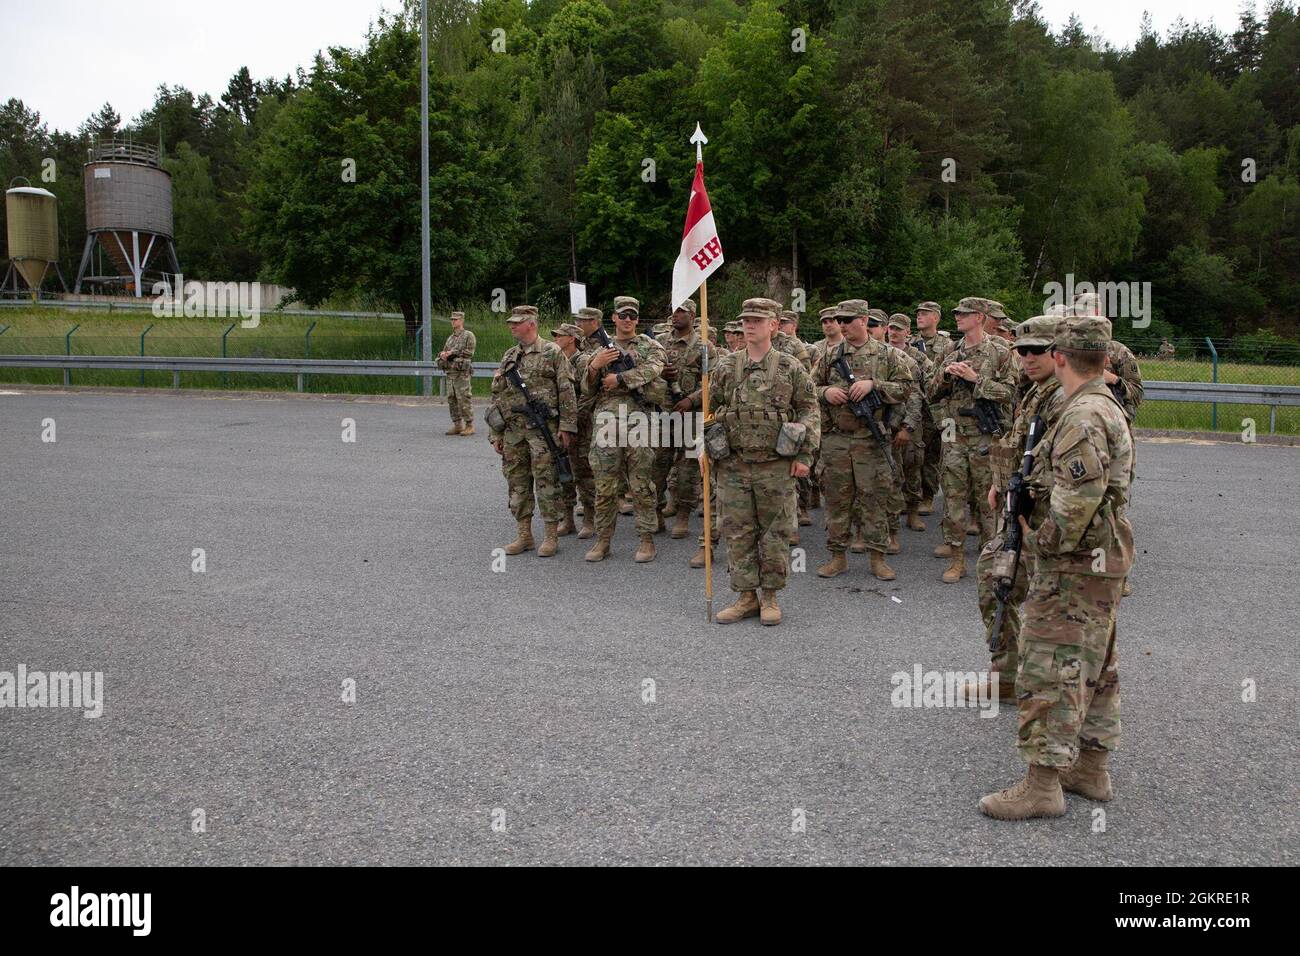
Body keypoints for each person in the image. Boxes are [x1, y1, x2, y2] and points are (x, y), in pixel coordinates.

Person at [979, 315, 1134, 820]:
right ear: (1105, 358)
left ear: (1061, 357)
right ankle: (1090, 768)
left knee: (1051, 667)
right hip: (1100, 559)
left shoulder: (1083, 414)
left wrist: (1037, 543)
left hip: (1073, 566)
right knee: (1097, 665)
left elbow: (1075, 504)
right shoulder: (1100, 404)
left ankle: (1042, 785)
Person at [965, 315, 1066, 703]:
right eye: (1021, 351)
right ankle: (1006, 672)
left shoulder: (1063, 398)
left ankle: (1056, 684)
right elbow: (1018, 443)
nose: (1026, 358)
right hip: (1019, 510)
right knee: (997, 579)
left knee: (1048, 600)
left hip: (1047, 518)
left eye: (1036, 351)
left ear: (1058, 352)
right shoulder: (1037, 391)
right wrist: (998, 480)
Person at [709, 298, 820, 625]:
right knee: (737, 531)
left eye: (757, 320)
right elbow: (709, 410)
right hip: (734, 464)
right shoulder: (726, 367)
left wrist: (804, 454)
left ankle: (770, 596)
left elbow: (810, 410)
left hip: (775, 465)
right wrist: (706, 448)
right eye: (745, 320)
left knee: (774, 532)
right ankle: (745, 597)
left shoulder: (790, 367)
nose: (749, 325)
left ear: (774, 325)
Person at [813, 299, 911, 582]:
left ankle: (877, 557)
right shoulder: (830, 355)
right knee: (836, 499)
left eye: (848, 319)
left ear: (864, 320)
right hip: (837, 439)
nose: (842, 325)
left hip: (870, 439)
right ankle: (837, 557)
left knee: (874, 498)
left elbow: (907, 389)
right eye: (839, 320)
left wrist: (874, 384)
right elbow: (809, 387)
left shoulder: (887, 355)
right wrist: (826, 392)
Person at [926, 297, 1017, 582]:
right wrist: (944, 375)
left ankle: (990, 557)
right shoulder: (950, 350)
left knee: (989, 502)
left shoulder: (1000, 350)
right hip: (954, 438)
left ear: (979, 316)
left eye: (963, 314)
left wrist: (976, 379)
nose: (957, 317)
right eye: (956, 313)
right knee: (953, 501)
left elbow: (1010, 393)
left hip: (987, 437)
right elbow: (930, 392)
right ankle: (957, 560)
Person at [487, 305, 577, 558]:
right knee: (517, 482)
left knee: (547, 482)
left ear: (532, 324)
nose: (512, 326)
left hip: (543, 432)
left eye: (517, 322)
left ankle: (550, 535)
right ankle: (524, 535)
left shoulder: (552, 352)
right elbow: (498, 396)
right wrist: (496, 433)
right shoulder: (509, 356)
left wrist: (567, 427)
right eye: (511, 323)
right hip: (514, 433)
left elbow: (567, 391)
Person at [583, 296, 668, 563]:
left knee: (641, 483)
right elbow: (586, 388)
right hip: (607, 421)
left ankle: (646, 540)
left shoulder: (649, 346)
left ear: (638, 320)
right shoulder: (597, 349)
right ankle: (603, 540)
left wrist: (620, 377)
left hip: (639, 420)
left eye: (632, 315)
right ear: (615, 318)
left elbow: (653, 370)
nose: (628, 320)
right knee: (605, 485)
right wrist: (595, 366)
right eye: (623, 315)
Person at [653, 298, 718, 540]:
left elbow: (714, 381)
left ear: (692, 316)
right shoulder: (658, 343)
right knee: (657, 464)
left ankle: (682, 514)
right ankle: (656, 511)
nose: (676, 314)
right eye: (674, 310)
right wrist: (660, 373)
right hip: (662, 412)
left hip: (691, 414)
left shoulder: (704, 347)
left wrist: (691, 399)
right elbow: (645, 373)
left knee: (688, 467)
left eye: (682, 311)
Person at [887, 313, 933, 535]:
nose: (894, 333)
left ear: (908, 332)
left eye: (899, 329)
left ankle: (913, 511)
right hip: (887, 419)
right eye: (891, 328)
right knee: (889, 468)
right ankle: (891, 514)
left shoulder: (917, 358)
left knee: (913, 463)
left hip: (912, 419)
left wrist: (909, 425)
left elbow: (921, 393)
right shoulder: (883, 353)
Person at [912, 300, 953, 514]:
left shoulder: (947, 345)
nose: (919, 316)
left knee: (931, 455)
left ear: (935, 318)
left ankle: (927, 496)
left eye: (924, 313)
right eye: (918, 313)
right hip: (914, 406)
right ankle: (911, 496)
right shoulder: (911, 343)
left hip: (935, 408)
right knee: (912, 454)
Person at [438, 311, 477, 435]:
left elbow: (469, 352)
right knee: (452, 399)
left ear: (462, 320)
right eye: (452, 319)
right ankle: (457, 424)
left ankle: (469, 425)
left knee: (464, 398)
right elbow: (445, 351)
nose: (453, 321)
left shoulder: (468, 335)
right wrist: (443, 355)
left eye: (455, 319)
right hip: (451, 372)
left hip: (462, 374)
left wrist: (452, 353)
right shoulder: (450, 338)